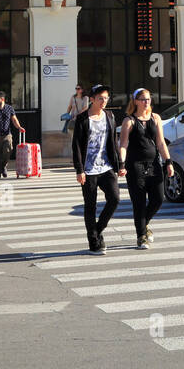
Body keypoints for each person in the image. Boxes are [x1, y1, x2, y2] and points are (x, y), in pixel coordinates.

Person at [118, 87, 174, 249]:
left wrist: (168, 162)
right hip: (135, 166)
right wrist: (121, 164)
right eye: (143, 99)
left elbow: (161, 143)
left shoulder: (155, 118)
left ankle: (144, 224)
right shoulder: (129, 121)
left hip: (154, 165)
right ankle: (141, 236)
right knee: (139, 203)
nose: (146, 102)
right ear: (135, 101)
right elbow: (123, 145)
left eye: (148, 99)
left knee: (158, 199)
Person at [72, 84, 122, 255]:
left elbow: (113, 141)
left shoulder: (109, 116)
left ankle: (97, 230)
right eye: (100, 98)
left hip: (106, 167)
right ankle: (94, 242)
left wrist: (120, 164)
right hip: (88, 170)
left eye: (106, 98)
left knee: (115, 198)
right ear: (92, 99)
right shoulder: (82, 119)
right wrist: (79, 170)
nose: (104, 101)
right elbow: (76, 146)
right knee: (90, 206)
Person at [0, 90, 24, 180]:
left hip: (7, 135)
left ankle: (3, 167)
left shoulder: (9, 108)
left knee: (8, 151)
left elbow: (14, 119)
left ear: (2, 99)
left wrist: (19, 127)